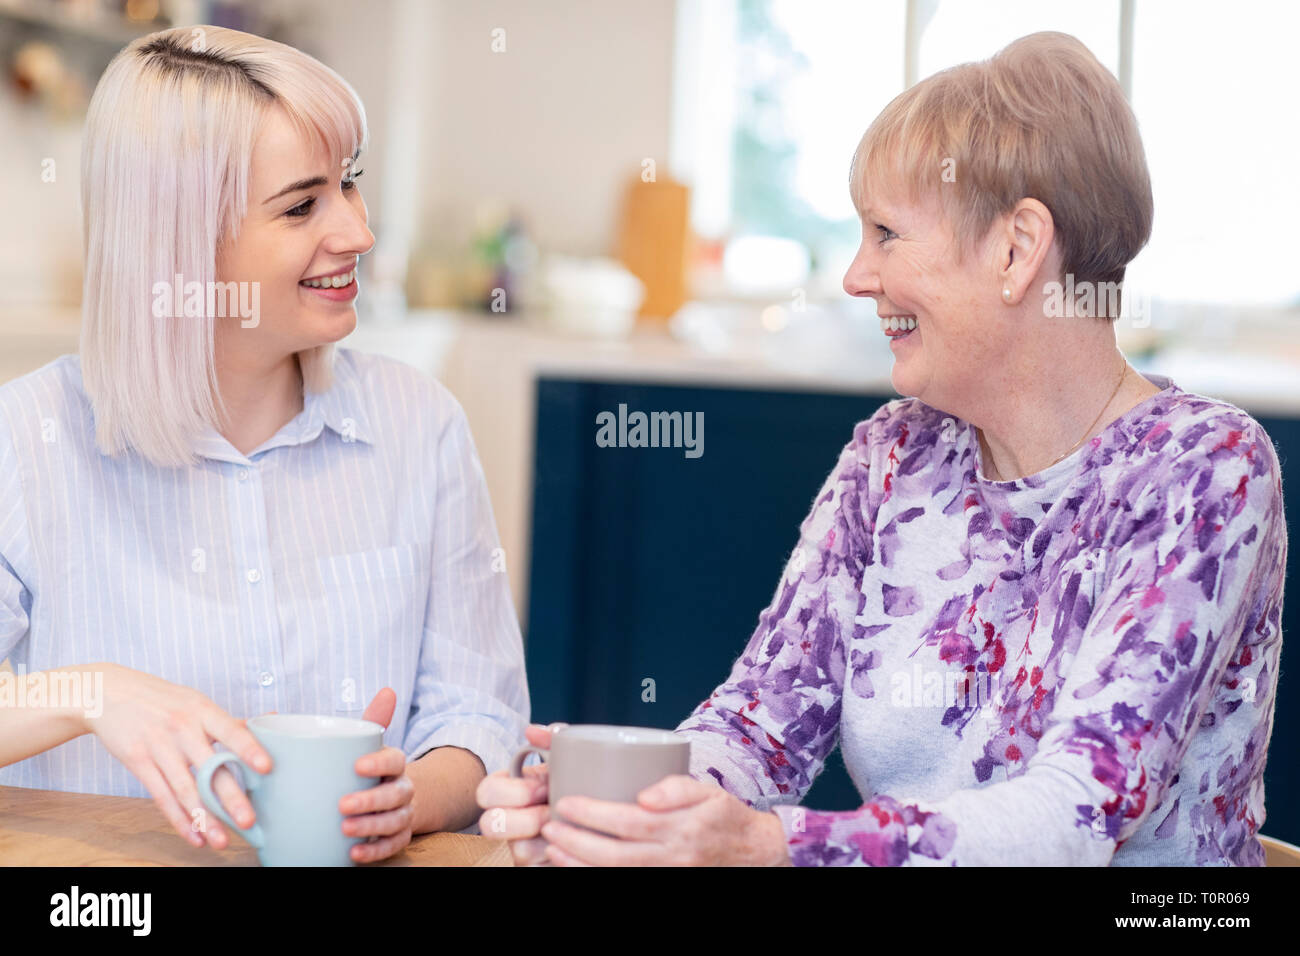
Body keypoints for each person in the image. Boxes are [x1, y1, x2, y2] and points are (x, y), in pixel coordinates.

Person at [477, 32, 1286, 866]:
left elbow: (1077, 813)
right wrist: (620, 807)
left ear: (1016, 249)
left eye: (886, 235)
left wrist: (767, 849)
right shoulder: (892, 456)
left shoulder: (1204, 470)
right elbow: (759, 726)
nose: (856, 277)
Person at [0, 26, 529, 863]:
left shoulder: (419, 425)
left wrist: (410, 799)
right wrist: (90, 693)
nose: (357, 232)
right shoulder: (24, 442)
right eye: (301, 205)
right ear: (175, 239)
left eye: (350, 185)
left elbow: (480, 715)